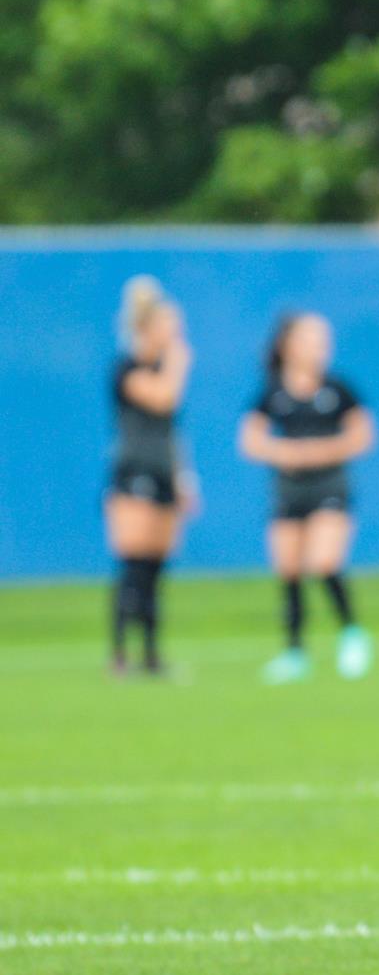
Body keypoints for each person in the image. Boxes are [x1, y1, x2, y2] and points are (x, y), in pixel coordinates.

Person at [240, 311, 377, 683]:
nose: (320, 348)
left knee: (325, 561)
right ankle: (295, 652)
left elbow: (363, 435)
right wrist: (285, 453)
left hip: (329, 487)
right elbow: (251, 440)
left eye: (324, 341)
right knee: (289, 569)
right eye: (311, 340)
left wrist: (320, 451)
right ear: (289, 346)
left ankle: (352, 633)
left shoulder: (338, 390)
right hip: (289, 489)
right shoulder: (274, 393)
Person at [104, 276, 194, 676]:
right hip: (133, 474)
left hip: (163, 475)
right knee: (134, 564)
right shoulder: (128, 370)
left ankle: (152, 657)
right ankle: (120, 655)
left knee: (156, 569)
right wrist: (177, 362)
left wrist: (184, 477)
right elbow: (163, 398)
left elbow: (172, 430)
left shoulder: (163, 369)